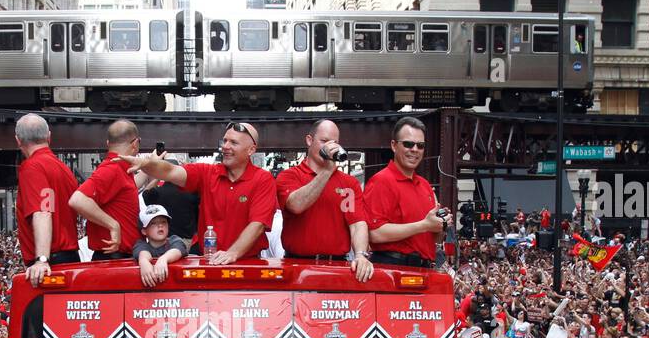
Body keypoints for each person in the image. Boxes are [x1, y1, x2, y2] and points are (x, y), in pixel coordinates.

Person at [120, 121, 275, 264]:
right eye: (225, 141)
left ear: (251, 150)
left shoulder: (263, 179)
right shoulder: (207, 173)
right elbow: (172, 171)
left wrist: (232, 253)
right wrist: (146, 164)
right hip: (208, 261)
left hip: (247, 263)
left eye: (234, 142)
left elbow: (258, 224)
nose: (225, 146)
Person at [275, 119, 373, 281]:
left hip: (336, 266)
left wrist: (361, 255)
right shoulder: (290, 175)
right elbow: (296, 205)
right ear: (309, 140)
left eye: (334, 142)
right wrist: (327, 172)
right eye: (324, 141)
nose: (330, 147)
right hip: (297, 265)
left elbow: (357, 224)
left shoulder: (349, 183)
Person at [362, 116, 446, 268]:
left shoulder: (425, 185)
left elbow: (433, 239)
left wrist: (440, 225)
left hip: (424, 268)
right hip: (394, 268)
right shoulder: (381, 181)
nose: (414, 150)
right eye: (408, 144)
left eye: (420, 145)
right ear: (394, 146)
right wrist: (425, 225)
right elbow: (374, 233)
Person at [15, 113, 80, 286]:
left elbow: (43, 212)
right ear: (49, 137)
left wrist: (42, 259)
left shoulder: (32, 167)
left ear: (18, 140)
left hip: (51, 264)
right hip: (69, 258)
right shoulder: (63, 168)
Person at [69, 119, 143, 260]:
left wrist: (150, 167)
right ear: (135, 144)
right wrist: (113, 225)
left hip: (117, 258)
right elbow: (77, 200)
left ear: (108, 143)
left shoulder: (120, 168)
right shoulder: (113, 169)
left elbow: (126, 192)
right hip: (114, 260)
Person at [133, 204, 189, 287]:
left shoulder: (174, 240)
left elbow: (178, 249)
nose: (160, 225)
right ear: (144, 231)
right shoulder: (141, 244)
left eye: (163, 222)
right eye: (153, 223)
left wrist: (163, 259)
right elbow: (142, 253)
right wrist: (144, 262)